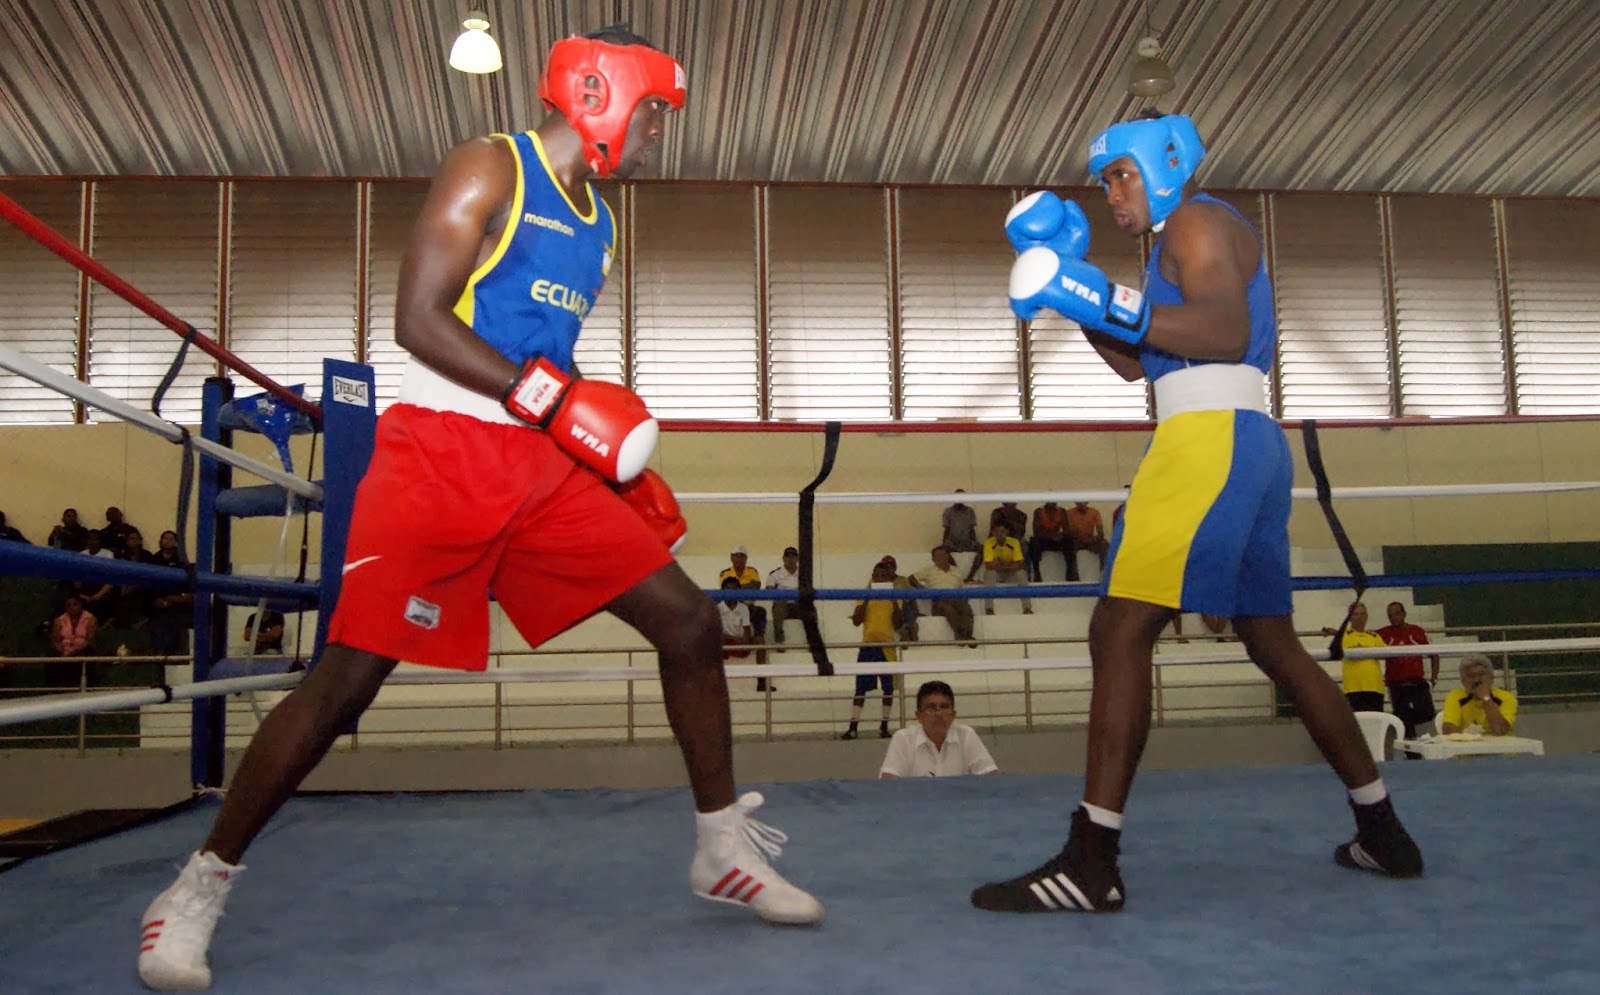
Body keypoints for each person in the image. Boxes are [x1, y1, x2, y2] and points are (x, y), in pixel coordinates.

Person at [137, 28, 821, 992]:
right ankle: (195, 887)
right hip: (440, 453)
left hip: (540, 462)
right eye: (655, 110)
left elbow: (549, 357)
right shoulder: (490, 165)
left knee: (689, 620)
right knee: (345, 682)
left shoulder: (601, 223)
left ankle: (719, 847)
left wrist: (603, 452)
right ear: (600, 90)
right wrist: (550, 401)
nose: (659, 134)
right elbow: (419, 318)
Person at [972, 114, 1421, 915]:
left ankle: (1091, 859)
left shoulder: (1199, 221)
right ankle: (1381, 826)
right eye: (1103, 180)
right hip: (1244, 438)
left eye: (1121, 176)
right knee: (1272, 639)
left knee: (1119, 628)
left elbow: (1222, 329)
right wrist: (1071, 284)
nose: (1110, 193)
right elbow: (1136, 362)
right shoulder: (1171, 244)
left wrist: (1096, 290)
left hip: (1209, 437)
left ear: (1162, 165)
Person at [880, 681, 999, 778]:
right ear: (919, 716)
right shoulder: (903, 739)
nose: (938, 713)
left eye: (944, 707)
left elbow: (991, 777)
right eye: (931, 708)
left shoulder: (966, 735)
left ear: (953, 715)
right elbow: (888, 781)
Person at [841, 561, 898, 742]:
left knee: (888, 688)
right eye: (875, 575)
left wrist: (894, 603)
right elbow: (856, 621)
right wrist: (866, 599)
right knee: (860, 689)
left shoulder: (896, 596)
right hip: (868, 645)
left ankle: (884, 725)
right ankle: (853, 726)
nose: (879, 579)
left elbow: (899, 623)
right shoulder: (864, 595)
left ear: (888, 578)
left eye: (882, 576)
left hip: (887, 646)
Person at [1377, 601, 1439, 738]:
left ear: (1404, 614)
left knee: (1426, 719)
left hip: (1418, 684)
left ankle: (1430, 751)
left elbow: (1434, 654)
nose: (1394, 618)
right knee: (1403, 722)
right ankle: (1411, 755)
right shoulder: (1384, 633)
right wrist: (1337, 632)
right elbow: (1361, 635)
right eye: (1390, 615)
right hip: (1396, 686)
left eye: (1397, 614)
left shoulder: (1417, 631)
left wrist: (1434, 679)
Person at [909, 546, 976, 646]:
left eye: (943, 555)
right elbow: (911, 578)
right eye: (937, 557)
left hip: (956, 598)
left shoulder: (956, 571)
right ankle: (961, 636)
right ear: (933, 559)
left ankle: (968, 636)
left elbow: (962, 588)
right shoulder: (928, 571)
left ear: (947, 556)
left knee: (966, 608)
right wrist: (922, 588)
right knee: (948, 610)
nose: (941, 558)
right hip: (939, 601)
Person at [1329, 602, 1388, 714]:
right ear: (1349, 617)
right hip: (1353, 689)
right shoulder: (1343, 635)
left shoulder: (1374, 636)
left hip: (1375, 688)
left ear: (1366, 617)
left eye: (1362, 614)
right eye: (1355, 614)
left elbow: (1384, 653)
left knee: (1375, 723)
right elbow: (1351, 653)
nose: (1359, 618)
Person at [965, 522, 1032, 615]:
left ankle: (1027, 608)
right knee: (990, 574)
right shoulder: (988, 543)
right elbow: (988, 566)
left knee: (1022, 573)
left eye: (1002, 531)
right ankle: (989, 609)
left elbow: (1019, 565)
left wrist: (999, 565)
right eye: (996, 532)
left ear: (1007, 532)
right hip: (997, 575)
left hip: (1010, 575)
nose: (999, 534)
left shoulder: (1014, 542)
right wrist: (1009, 565)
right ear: (993, 533)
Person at [1440, 656, 1517, 736]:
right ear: (1463, 681)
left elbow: (1500, 730)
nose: (1477, 680)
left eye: (1481, 674)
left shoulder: (1506, 697)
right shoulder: (1455, 696)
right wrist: (1471, 736)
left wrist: (1486, 698)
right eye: (1471, 676)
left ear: (1491, 678)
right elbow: (1447, 729)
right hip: (1468, 745)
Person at [718, 545, 768, 661]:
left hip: (748, 607)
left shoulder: (752, 571)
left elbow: (756, 587)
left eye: (742, 556)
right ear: (731, 558)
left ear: (746, 558)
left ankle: (758, 635)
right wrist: (744, 589)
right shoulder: (724, 573)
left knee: (760, 611)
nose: (739, 559)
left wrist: (736, 590)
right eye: (736, 556)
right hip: (731, 606)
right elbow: (723, 591)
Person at [1028, 500, 1074, 582]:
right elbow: (1036, 531)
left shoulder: (1061, 511)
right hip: (1044, 540)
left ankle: (1071, 572)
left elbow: (1067, 529)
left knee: (1069, 540)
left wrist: (1060, 535)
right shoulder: (1038, 511)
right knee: (1033, 541)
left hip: (1058, 539)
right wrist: (1050, 536)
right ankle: (1037, 572)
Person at [764, 545, 802, 645]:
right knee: (778, 607)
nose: (790, 559)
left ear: (797, 558)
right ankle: (779, 641)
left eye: (793, 556)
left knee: (811, 609)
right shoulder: (775, 574)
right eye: (788, 556)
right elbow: (769, 590)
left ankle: (813, 641)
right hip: (782, 604)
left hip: (799, 604)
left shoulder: (803, 574)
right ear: (783, 558)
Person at [880, 555, 920, 643]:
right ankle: (907, 631)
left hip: (904, 605)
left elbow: (911, 595)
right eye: (886, 566)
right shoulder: (878, 580)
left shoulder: (902, 579)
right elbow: (868, 594)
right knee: (895, 609)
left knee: (904, 604)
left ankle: (907, 630)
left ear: (895, 567)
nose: (889, 568)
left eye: (891, 565)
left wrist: (917, 611)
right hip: (887, 607)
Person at [1065, 501, 1108, 576]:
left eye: (1083, 501)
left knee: (1104, 544)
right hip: (1076, 541)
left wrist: (1095, 539)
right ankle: (1074, 574)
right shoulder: (1069, 513)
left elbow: (1100, 532)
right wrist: (1081, 539)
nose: (1081, 503)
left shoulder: (1094, 512)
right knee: (1069, 544)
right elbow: (1071, 532)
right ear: (1076, 502)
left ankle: (1104, 571)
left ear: (1087, 502)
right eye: (1079, 502)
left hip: (1089, 540)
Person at [50, 593, 97, 657]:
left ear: (81, 605)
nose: (71, 607)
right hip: (63, 653)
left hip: (82, 651)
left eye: (75, 604)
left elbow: (89, 641)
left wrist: (74, 652)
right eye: (68, 605)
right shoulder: (60, 620)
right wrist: (62, 652)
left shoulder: (90, 618)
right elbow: (56, 641)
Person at [940, 489, 979, 561]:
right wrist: (944, 544)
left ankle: (972, 572)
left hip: (967, 542)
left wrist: (975, 542)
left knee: (982, 550)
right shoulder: (948, 511)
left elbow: (972, 529)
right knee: (941, 552)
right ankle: (955, 570)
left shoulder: (970, 511)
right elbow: (947, 529)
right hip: (952, 543)